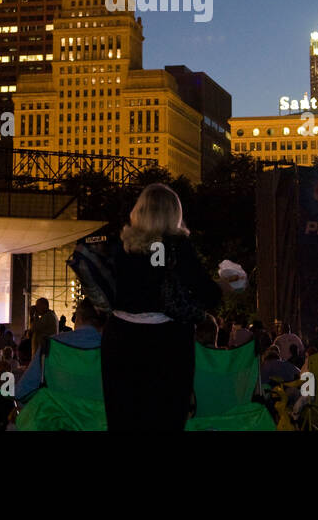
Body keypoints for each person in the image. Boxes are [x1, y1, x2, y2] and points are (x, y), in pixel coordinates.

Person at [100, 182, 230, 431]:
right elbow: (207, 294)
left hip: (119, 339)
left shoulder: (120, 246)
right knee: (166, 416)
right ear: (174, 214)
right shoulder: (176, 246)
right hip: (166, 341)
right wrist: (225, 286)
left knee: (123, 416)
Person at [16, 300, 105, 402]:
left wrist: (32, 315)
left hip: (58, 415)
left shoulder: (50, 345)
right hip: (98, 417)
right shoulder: (114, 351)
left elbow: (22, 391)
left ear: (78, 317)